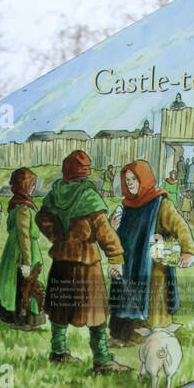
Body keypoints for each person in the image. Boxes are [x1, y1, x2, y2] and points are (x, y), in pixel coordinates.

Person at [35, 149, 129, 372]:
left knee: (60, 308)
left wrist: (58, 237)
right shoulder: (89, 197)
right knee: (95, 311)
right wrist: (115, 257)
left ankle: (58, 352)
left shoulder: (54, 194)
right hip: (86, 264)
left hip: (61, 261)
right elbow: (104, 231)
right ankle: (102, 360)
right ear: (84, 175)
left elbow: (41, 218)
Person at [107, 159, 194, 347]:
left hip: (151, 266)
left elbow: (181, 227)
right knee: (124, 297)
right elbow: (111, 235)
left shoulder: (160, 204)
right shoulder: (124, 206)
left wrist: (188, 251)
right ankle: (122, 335)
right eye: (127, 179)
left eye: (134, 178)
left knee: (152, 303)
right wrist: (111, 227)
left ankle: (152, 336)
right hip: (127, 263)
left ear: (144, 178)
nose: (130, 182)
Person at [0, 170, 44, 329]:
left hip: (18, 249)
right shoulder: (23, 208)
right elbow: (24, 236)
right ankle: (24, 321)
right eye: (32, 184)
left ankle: (18, 318)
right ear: (25, 185)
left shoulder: (19, 204)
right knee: (25, 284)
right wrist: (27, 262)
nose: (34, 187)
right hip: (22, 252)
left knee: (22, 284)